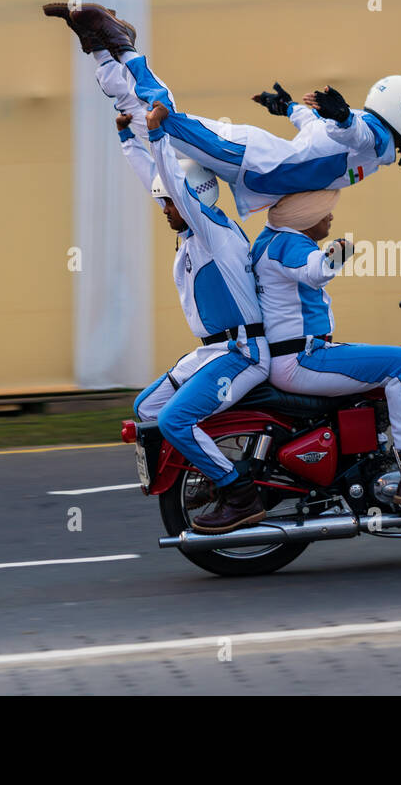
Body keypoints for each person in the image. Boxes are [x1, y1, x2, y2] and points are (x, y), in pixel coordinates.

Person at [46, 2, 401, 216]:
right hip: (248, 159)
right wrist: (342, 118)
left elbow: (317, 134)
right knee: (161, 119)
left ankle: (102, 48)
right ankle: (120, 43)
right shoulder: (374, 139)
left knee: (144, 125)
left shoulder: (372, 149)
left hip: (251, 164)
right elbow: (351, 133)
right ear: (398, 108)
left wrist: (289, 107)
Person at [250, 190, 401, 514]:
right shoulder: (289, 243)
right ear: (305, 216)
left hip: (301, 352)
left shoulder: (269, 240)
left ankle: (378, 456)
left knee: (384, 357)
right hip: (303, 358)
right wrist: (340, 252)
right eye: (325, 210)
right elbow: (316, 271)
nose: (330, 217)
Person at [112, 100, 272, 534]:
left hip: (244, 353)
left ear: (191, 198)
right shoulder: (189, 233)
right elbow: (160, 183)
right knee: (148, 408)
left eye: (170, 203)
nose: (164, 208)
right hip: (214, 352)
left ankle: (237, 491)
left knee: (174, 420)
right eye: (163, 203)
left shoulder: (214, 231)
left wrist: (159, 135)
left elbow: (176, 188)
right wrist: (129, 139)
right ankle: (208, 467)